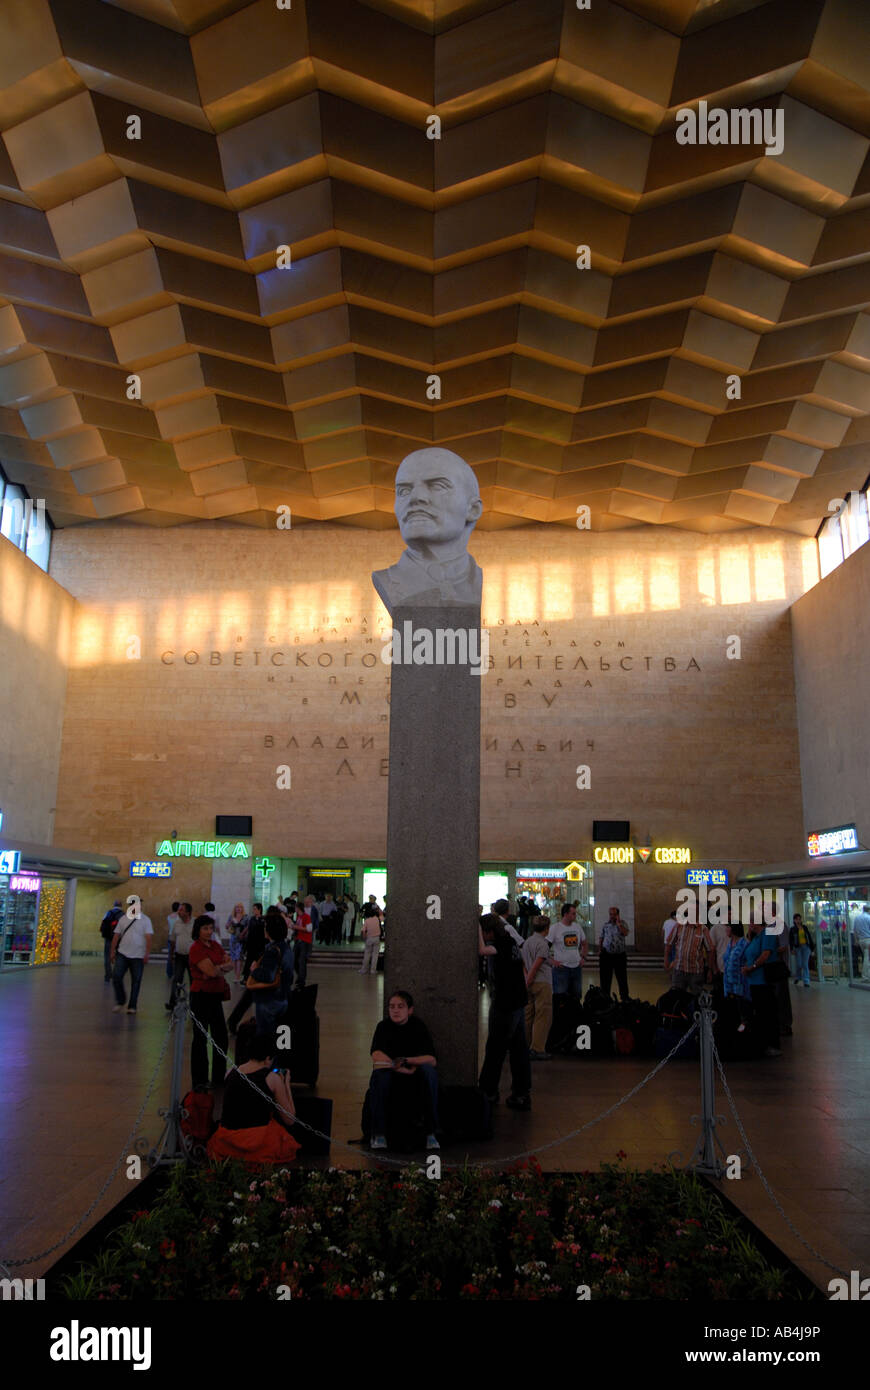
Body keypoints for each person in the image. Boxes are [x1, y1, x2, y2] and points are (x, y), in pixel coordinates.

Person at [207, 1033, 300, 1164]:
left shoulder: (231, 1072)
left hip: (227, 1141)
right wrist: (286, 1085)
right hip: (257, 1141)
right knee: (285, 1141)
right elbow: (289, 1119)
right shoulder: (272, 1078)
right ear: (268, 1058)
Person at [368, 990, 440, 1151]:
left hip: (413, 1071)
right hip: (392, 1071)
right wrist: (398, 1067)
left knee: (430, 1073)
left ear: (410, 1010)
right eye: (392, 1006)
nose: (395, 1010)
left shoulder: (418, 1026)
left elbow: (431, 1059)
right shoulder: (383, 1027)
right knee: (380, 1076)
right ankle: (378, 1134)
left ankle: (431, 1133)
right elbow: (376, 1054)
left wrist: (407, 1061)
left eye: (400, 1006)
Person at [478, 912, 531, 1111]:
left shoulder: (499, 944)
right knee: (518, 1049)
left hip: (505, 1004)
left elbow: (482, 950)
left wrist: (474, 925)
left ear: (489, 932)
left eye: (484, 932)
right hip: (517, 1001)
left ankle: (488, 1091)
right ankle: (521, 1093)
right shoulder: (510, 941)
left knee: (495, 1048)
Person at [188, 914, 233, 1089]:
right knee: (200, 1038)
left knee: (220, 1036)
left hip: (215, 995)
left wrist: (217, 969)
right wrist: (217, 969)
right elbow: (212, 971)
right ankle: (199, 1079)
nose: (208, 931)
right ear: (198, 930)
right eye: (205, 928)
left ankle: (218, 1076)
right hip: (201, 996)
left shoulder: (215, 946)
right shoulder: (196, 948)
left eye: (210, 928)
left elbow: (227, 964)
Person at [741, 914, 782, 1057]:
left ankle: (772, 1044)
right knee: (759, 1013)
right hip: (753, 981)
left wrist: (751, 967)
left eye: (752, 921)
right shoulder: (755, 937)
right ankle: (762, 1042)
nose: (750, 924)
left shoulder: (766, 934)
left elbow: (765, 955)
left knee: (767, 1013)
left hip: (763, 981)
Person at [247, 911, 292, 1033]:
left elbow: (268, 976)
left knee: (266, 1036)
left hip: (269, 1000)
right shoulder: (286, 947)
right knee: (280, 1038)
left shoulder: (272, 950)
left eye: (266, 926)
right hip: (283, 997)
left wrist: (254, 970)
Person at [110, 895, 153, 1015]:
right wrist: (112, 951)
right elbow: (116, 935)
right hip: (123, 953)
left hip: (138, 955)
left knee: (136, 981)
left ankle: (132, 1006)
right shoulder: (123, 919)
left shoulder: (146, 920)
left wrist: (147, 953)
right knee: (116, 976)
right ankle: (121, 1000)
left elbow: (148, 937)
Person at [227, 903, 264, 1034]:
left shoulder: (258, 920)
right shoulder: (252, 920)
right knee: (249, 998)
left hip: (258, 951)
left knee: (250, 999)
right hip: (251, 947)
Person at [522, 914, 553, 1059]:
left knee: (528, 1015)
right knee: (542, 1015)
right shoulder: (543, 944)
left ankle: (526, 1045)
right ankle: (538, 1048)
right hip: (541, 982)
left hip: (528, 982)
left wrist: (526, 980)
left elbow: (523, 963)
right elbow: (537, 964)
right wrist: (529, 978)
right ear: (546, 929)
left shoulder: (527, 942)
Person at [665, 910, 714, 996]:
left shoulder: (703, 929)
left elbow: (710, 950)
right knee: (676, 996)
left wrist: (710, 969)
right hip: (679, 969)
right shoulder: (679, 926)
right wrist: (666, 960)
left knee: (696, 997)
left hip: (696, 971)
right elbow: (669, 943)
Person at [547, 903, 587, 1000]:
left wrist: (583, 957)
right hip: (561, 968)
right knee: (561, 996)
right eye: (573, 913)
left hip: (576, 966)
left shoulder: (577, 927)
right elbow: (545, 947)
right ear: (565, 914)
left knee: (576, 996)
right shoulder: (555, 928)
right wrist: (552, 961)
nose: (575, 915)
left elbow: (584, 943)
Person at [722, 921, 752, 1032]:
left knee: (743, 1010)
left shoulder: (745, 944)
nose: (725, 929)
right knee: (731, 1010)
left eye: (727, 927)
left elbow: (748, 961)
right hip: (728, 984)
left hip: (740, 985)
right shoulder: (729, 943)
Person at [598, 906, 630, 1001]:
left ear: (617, 915)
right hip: (607, 955)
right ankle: (605, 997)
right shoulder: (606, 925)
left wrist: (619, 924)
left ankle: (624, 997)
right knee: (605, 978)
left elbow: (625, 933)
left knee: (622, 977)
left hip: (619, 955)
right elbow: (601, 937)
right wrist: (600, 949)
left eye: (614, 914)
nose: (612, 916)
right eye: (610, 914)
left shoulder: (623, 924)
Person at [166, 901, 194, 1010]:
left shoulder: (195, 923)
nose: (179, 911)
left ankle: (194, 1003)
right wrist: (171, 955)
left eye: (181, 910)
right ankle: (173, 1002)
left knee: (194, 980)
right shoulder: (176, 923)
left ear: (188, 912)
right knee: (177, 979)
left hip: (192, 957)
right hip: (179, 956)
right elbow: (172, 941)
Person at [291, 898, 314, 989]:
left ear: (298, 908)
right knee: (295, 960)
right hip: (298, 940)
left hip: (305, 942)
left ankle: (301, 981)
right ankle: (300, 976)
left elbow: (309, 929)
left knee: (301, 961)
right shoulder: (299, 917)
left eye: (295, 908)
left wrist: (296, 927)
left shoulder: (306, 917)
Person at [100, 900, 123, 982]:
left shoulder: (108, 913)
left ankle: (107, 975)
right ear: (121, 905)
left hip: (108, 938)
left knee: (107, 957)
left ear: (114, 905)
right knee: (119, 957)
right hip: (119, 940)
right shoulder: (123, 915)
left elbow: (103, 924)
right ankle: (116, 974)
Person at [225, 903, 248, 982]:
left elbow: (248, 927)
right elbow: (226, 926)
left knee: (239, 957)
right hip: (233, 938)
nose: (238, 909)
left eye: (240, 907)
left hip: (241, 939)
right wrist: (230, 922)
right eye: (237, 907)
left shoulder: (245, 917)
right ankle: (236, 975)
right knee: (234, 958)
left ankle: (238, 975)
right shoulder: (231, 917)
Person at [789, 912, 813, 987]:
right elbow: (791, 940)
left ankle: (806, 980)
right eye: (797, 919)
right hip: (798, 947)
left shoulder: (804, 927)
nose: (798, 921)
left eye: (799, 919)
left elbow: (809, 937)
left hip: (806, 946)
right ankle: (798, 977)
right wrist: (791, 948)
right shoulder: (793, 929)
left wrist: (811, 947)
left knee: (805, 964)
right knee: (799, 964)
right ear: (794, 920)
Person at [359, 908, 382, 975]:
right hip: (377, 938)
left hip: (369, 939)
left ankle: (364, 970)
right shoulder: (377, 919)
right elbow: (382, 915)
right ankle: (373, 970)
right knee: (375, 955)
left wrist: (364, 937)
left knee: (367, 954)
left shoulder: (367, 920)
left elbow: (363, 931)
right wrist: (378, 909)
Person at [852, 903, 870, 982]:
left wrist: (856, 940)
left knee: (866, 957)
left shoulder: (857, 918)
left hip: (860, 940)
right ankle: (866, 977)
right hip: (868, 940)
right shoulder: (868, 918)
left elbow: (855, 930)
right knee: (867, 959)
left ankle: (866, 975)